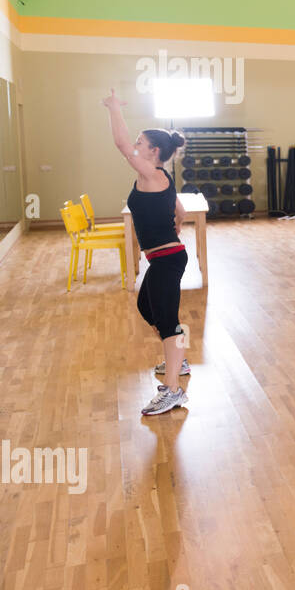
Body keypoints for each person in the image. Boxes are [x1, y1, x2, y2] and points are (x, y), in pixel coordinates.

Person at [102, 88, 190, 415]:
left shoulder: (152, 174)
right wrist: (177, 223)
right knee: (145, 305)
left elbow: (121, 144)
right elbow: (179, 207)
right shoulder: (157, 177)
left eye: (140, 143)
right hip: (164, 257)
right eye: (137, 142)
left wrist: (113, 107)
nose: (135, 146)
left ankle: (173, 390)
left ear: (153, 151)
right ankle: (176, 361)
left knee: (169, 322)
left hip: (167, 260)